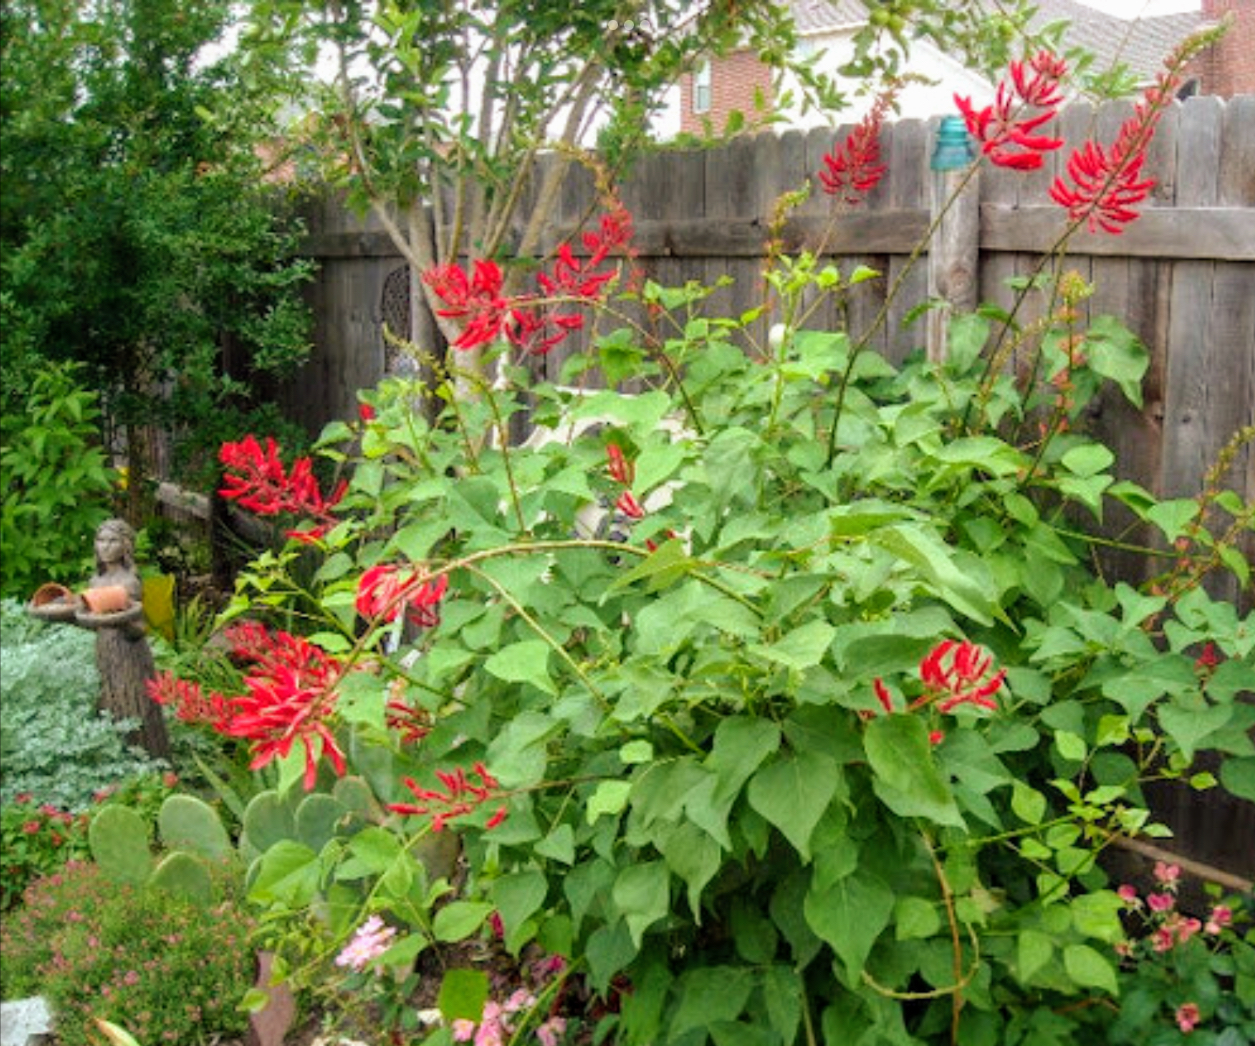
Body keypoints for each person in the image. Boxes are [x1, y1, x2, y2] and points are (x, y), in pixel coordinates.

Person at [78, 519, 172, 760]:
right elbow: (91, 620)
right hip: (105, 649)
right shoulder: (95, 582)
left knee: (133, 702)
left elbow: (138, 627)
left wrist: (119, 620)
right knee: (109, 702)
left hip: (128, 652)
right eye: (100, 541)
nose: (105, 547)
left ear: (125, 546)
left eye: (112, 541)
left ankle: (150, 757)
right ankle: (116, 758)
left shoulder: (129, 582)